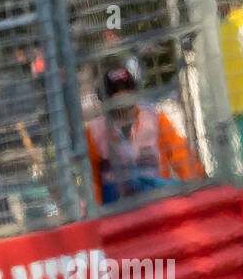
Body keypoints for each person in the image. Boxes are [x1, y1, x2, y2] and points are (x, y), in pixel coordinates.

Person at [86, 67, 203, 204]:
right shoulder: (94, 131)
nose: (122, 95)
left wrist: (198, 191)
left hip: (157, 200)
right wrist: (99, 215)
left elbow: (181, 154)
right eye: (115, 91)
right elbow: (92, 179)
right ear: (105, 100)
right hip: (117, 207)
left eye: (126, 88)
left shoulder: (154, 117)